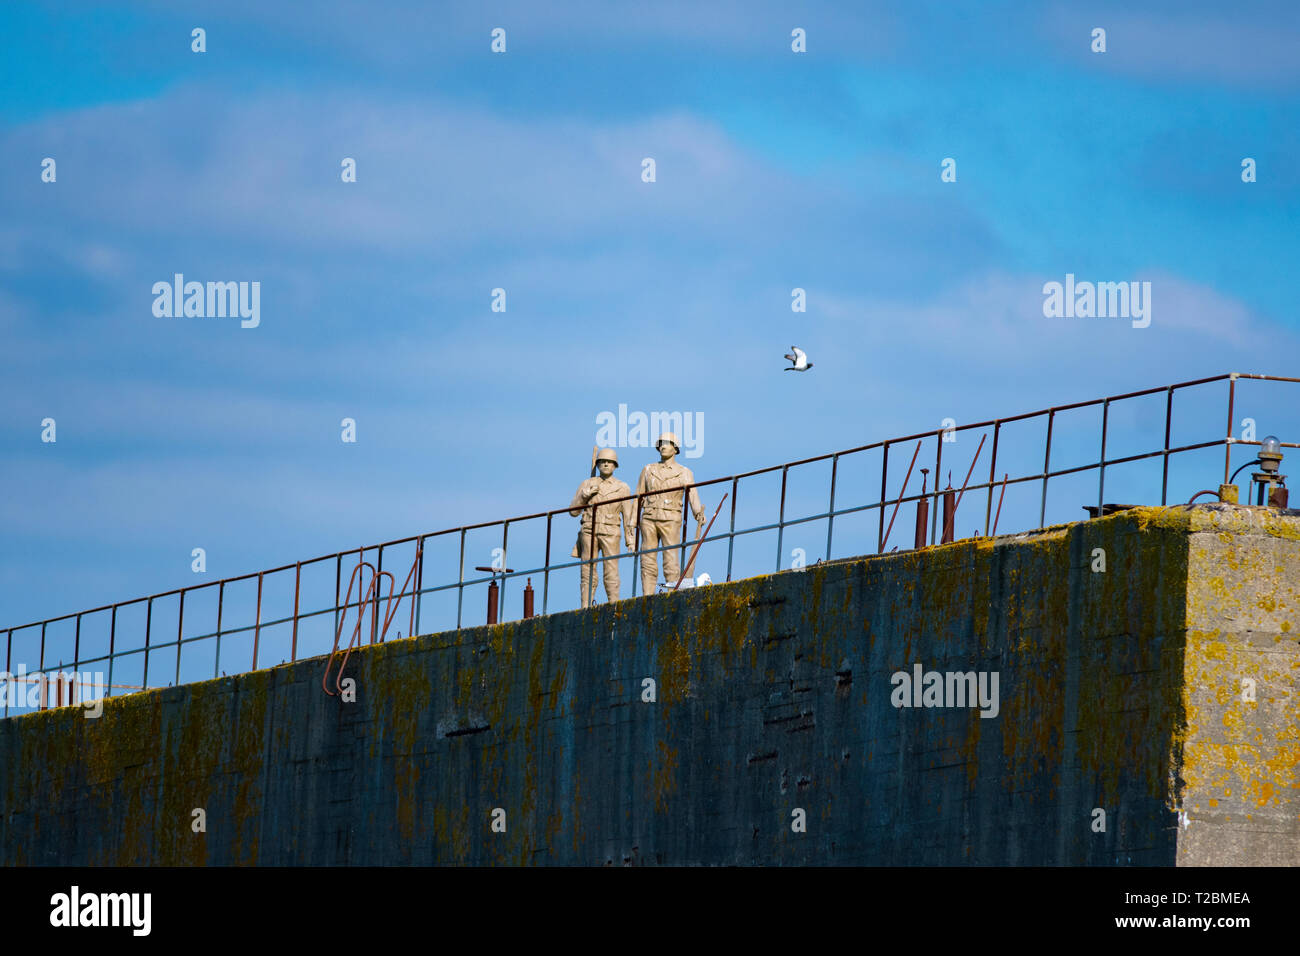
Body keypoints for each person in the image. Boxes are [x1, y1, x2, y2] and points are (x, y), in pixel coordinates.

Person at [635, 432, 704, 595]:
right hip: (649, 518)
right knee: (647, 560)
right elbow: (637, 498)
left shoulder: (684, 472)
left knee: (671, 560)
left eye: (668, 443)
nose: (663, 446)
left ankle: (671, 593)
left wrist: (698, 512)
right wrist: (631, 525)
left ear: (675, 448)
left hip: (671, 519)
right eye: (661, 443)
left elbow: (692, 494)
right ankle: (647, 595)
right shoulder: (648, 469)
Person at [568, 449, 635, 607]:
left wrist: (630, 541)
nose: (605, 464)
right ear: (597, 464)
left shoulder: (622, 487)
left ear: (615, 466)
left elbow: (628, 516)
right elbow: (573, 511)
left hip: (611, 531)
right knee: (587, 569)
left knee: (611, 571)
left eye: (609, 462)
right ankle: (585, 605)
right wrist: (584, 496)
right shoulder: (587, 484)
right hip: (589, 530)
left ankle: (614, 605)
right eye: (602, 461)